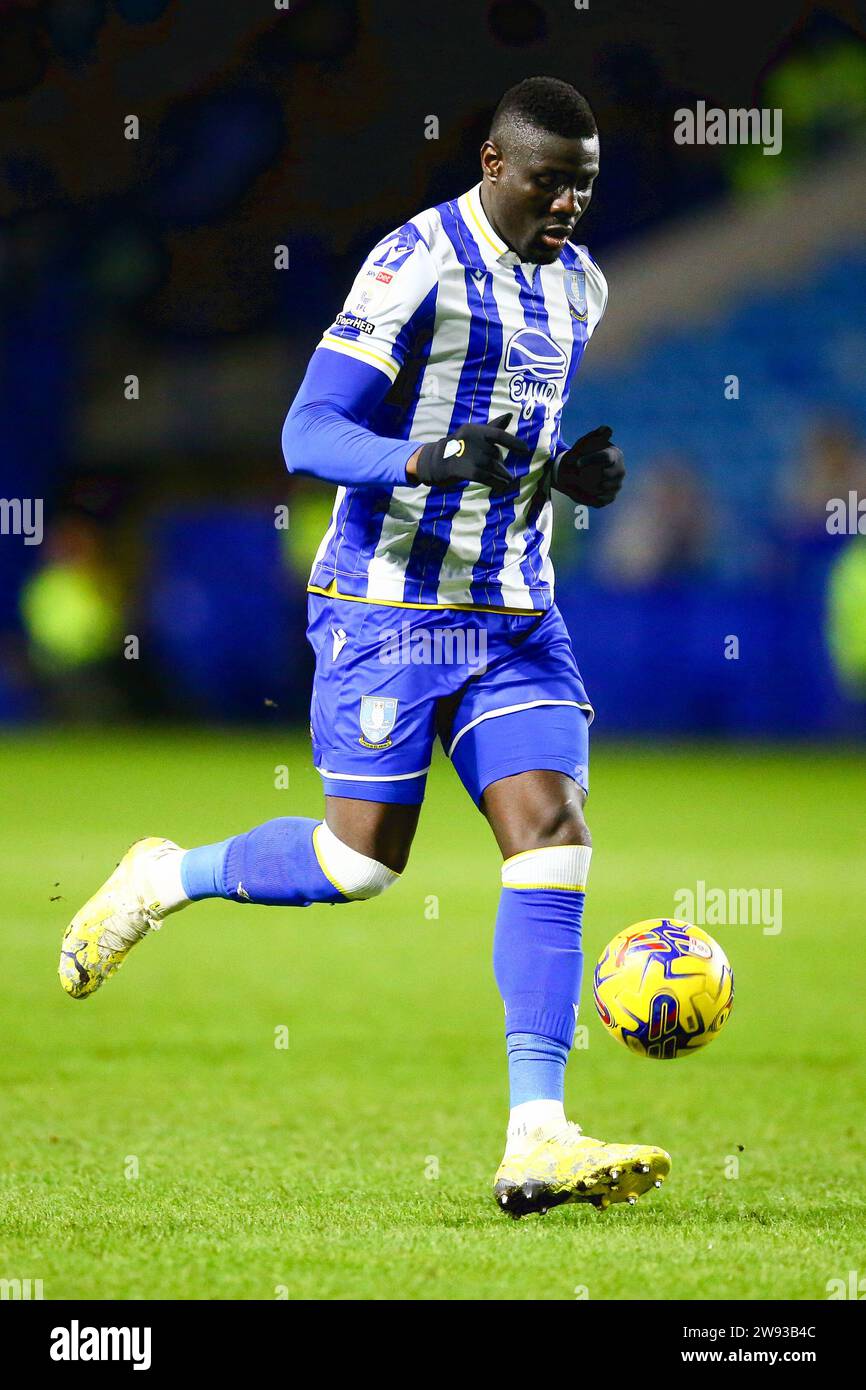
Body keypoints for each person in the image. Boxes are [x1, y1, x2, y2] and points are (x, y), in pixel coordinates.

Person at [59, 76, 670, 1218]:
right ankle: (162, 878)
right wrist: (420, 459)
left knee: (550, 834)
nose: (566, 208)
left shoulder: (578, 287)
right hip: (386, 612)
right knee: (357, 865)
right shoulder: (413, 264)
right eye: (548, 183)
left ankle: (534, 1133)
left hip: (514, 612)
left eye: (582, 189)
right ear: (494, 165)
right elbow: (307, 429)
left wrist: (569, 476)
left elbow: (516, 449)